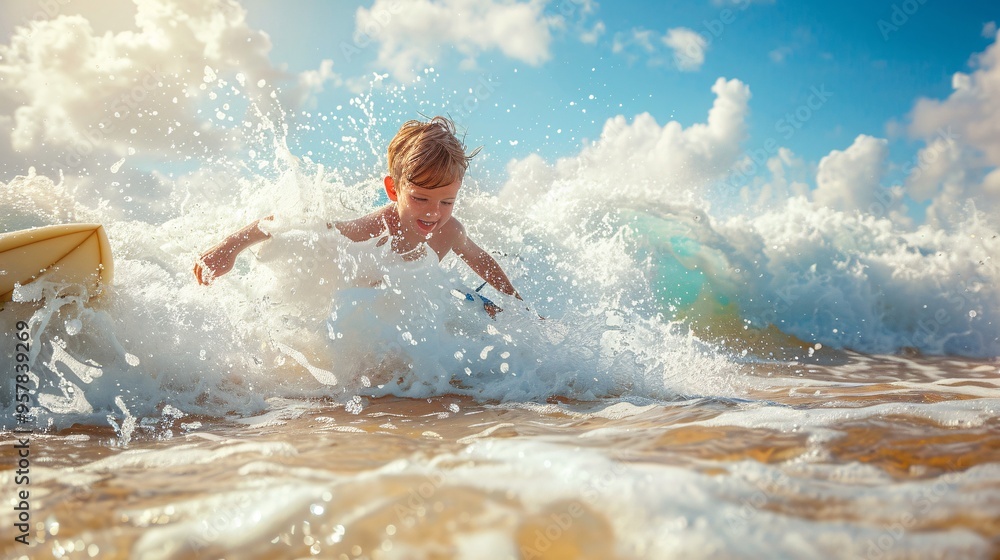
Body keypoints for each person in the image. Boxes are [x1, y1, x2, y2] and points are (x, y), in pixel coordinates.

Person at [193, 116, 522, 318]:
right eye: (420, 198)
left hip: (421, 304)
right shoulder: (372, 230)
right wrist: (230, 247)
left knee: (484, 313)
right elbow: (294, 223)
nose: (434, 212)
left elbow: (481, 260)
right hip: (360, 311)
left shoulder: (450, 231)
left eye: (447, 201)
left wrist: (519, 306)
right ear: (393, 190)